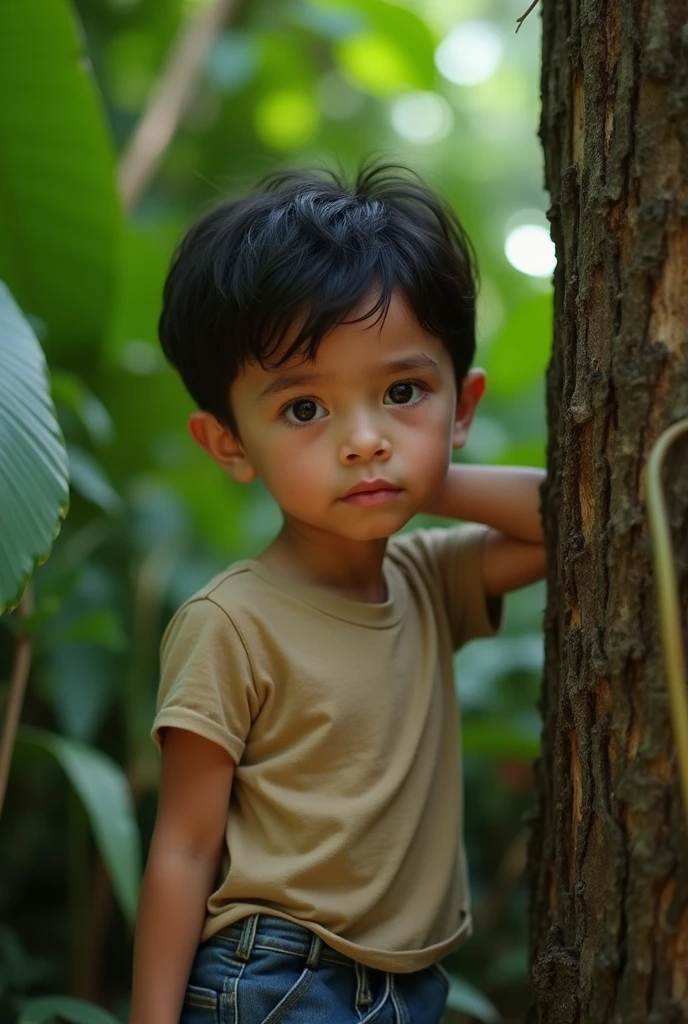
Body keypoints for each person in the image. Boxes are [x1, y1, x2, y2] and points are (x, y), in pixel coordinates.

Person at [129, 161, 546, 1024]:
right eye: (305, 410)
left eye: (402, 393)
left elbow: (570, 516)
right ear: (229, 444)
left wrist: (418, 469)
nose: (363, 440)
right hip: (276, 978)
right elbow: (184, 846)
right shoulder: (230, 623)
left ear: (460, 406)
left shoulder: (429, 582)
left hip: (409, 987)